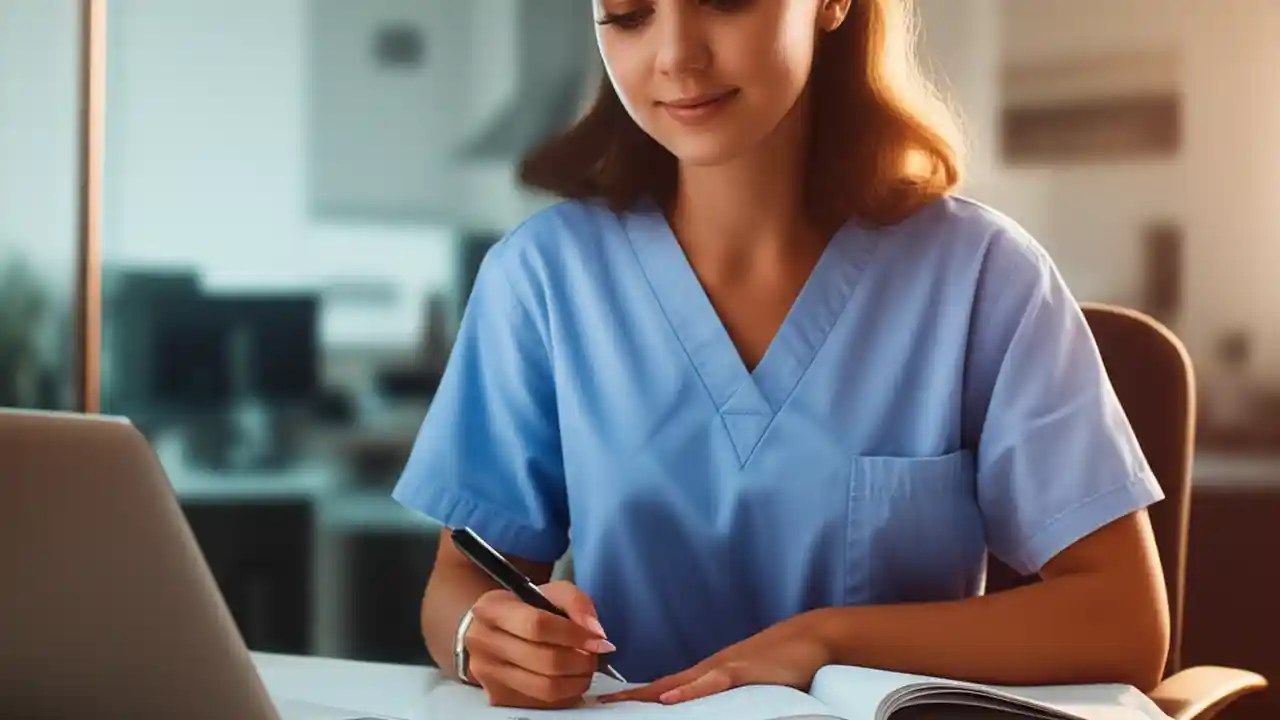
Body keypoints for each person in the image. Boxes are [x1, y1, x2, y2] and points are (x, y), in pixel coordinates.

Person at [392, 0, 1170, 710]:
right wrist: (484, 638)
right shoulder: (542, 278)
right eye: (627, 15)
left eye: (724, 3)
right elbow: (463, 578)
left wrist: (824, 642)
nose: (675, 57)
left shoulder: (984, 276)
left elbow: (1124, 621)